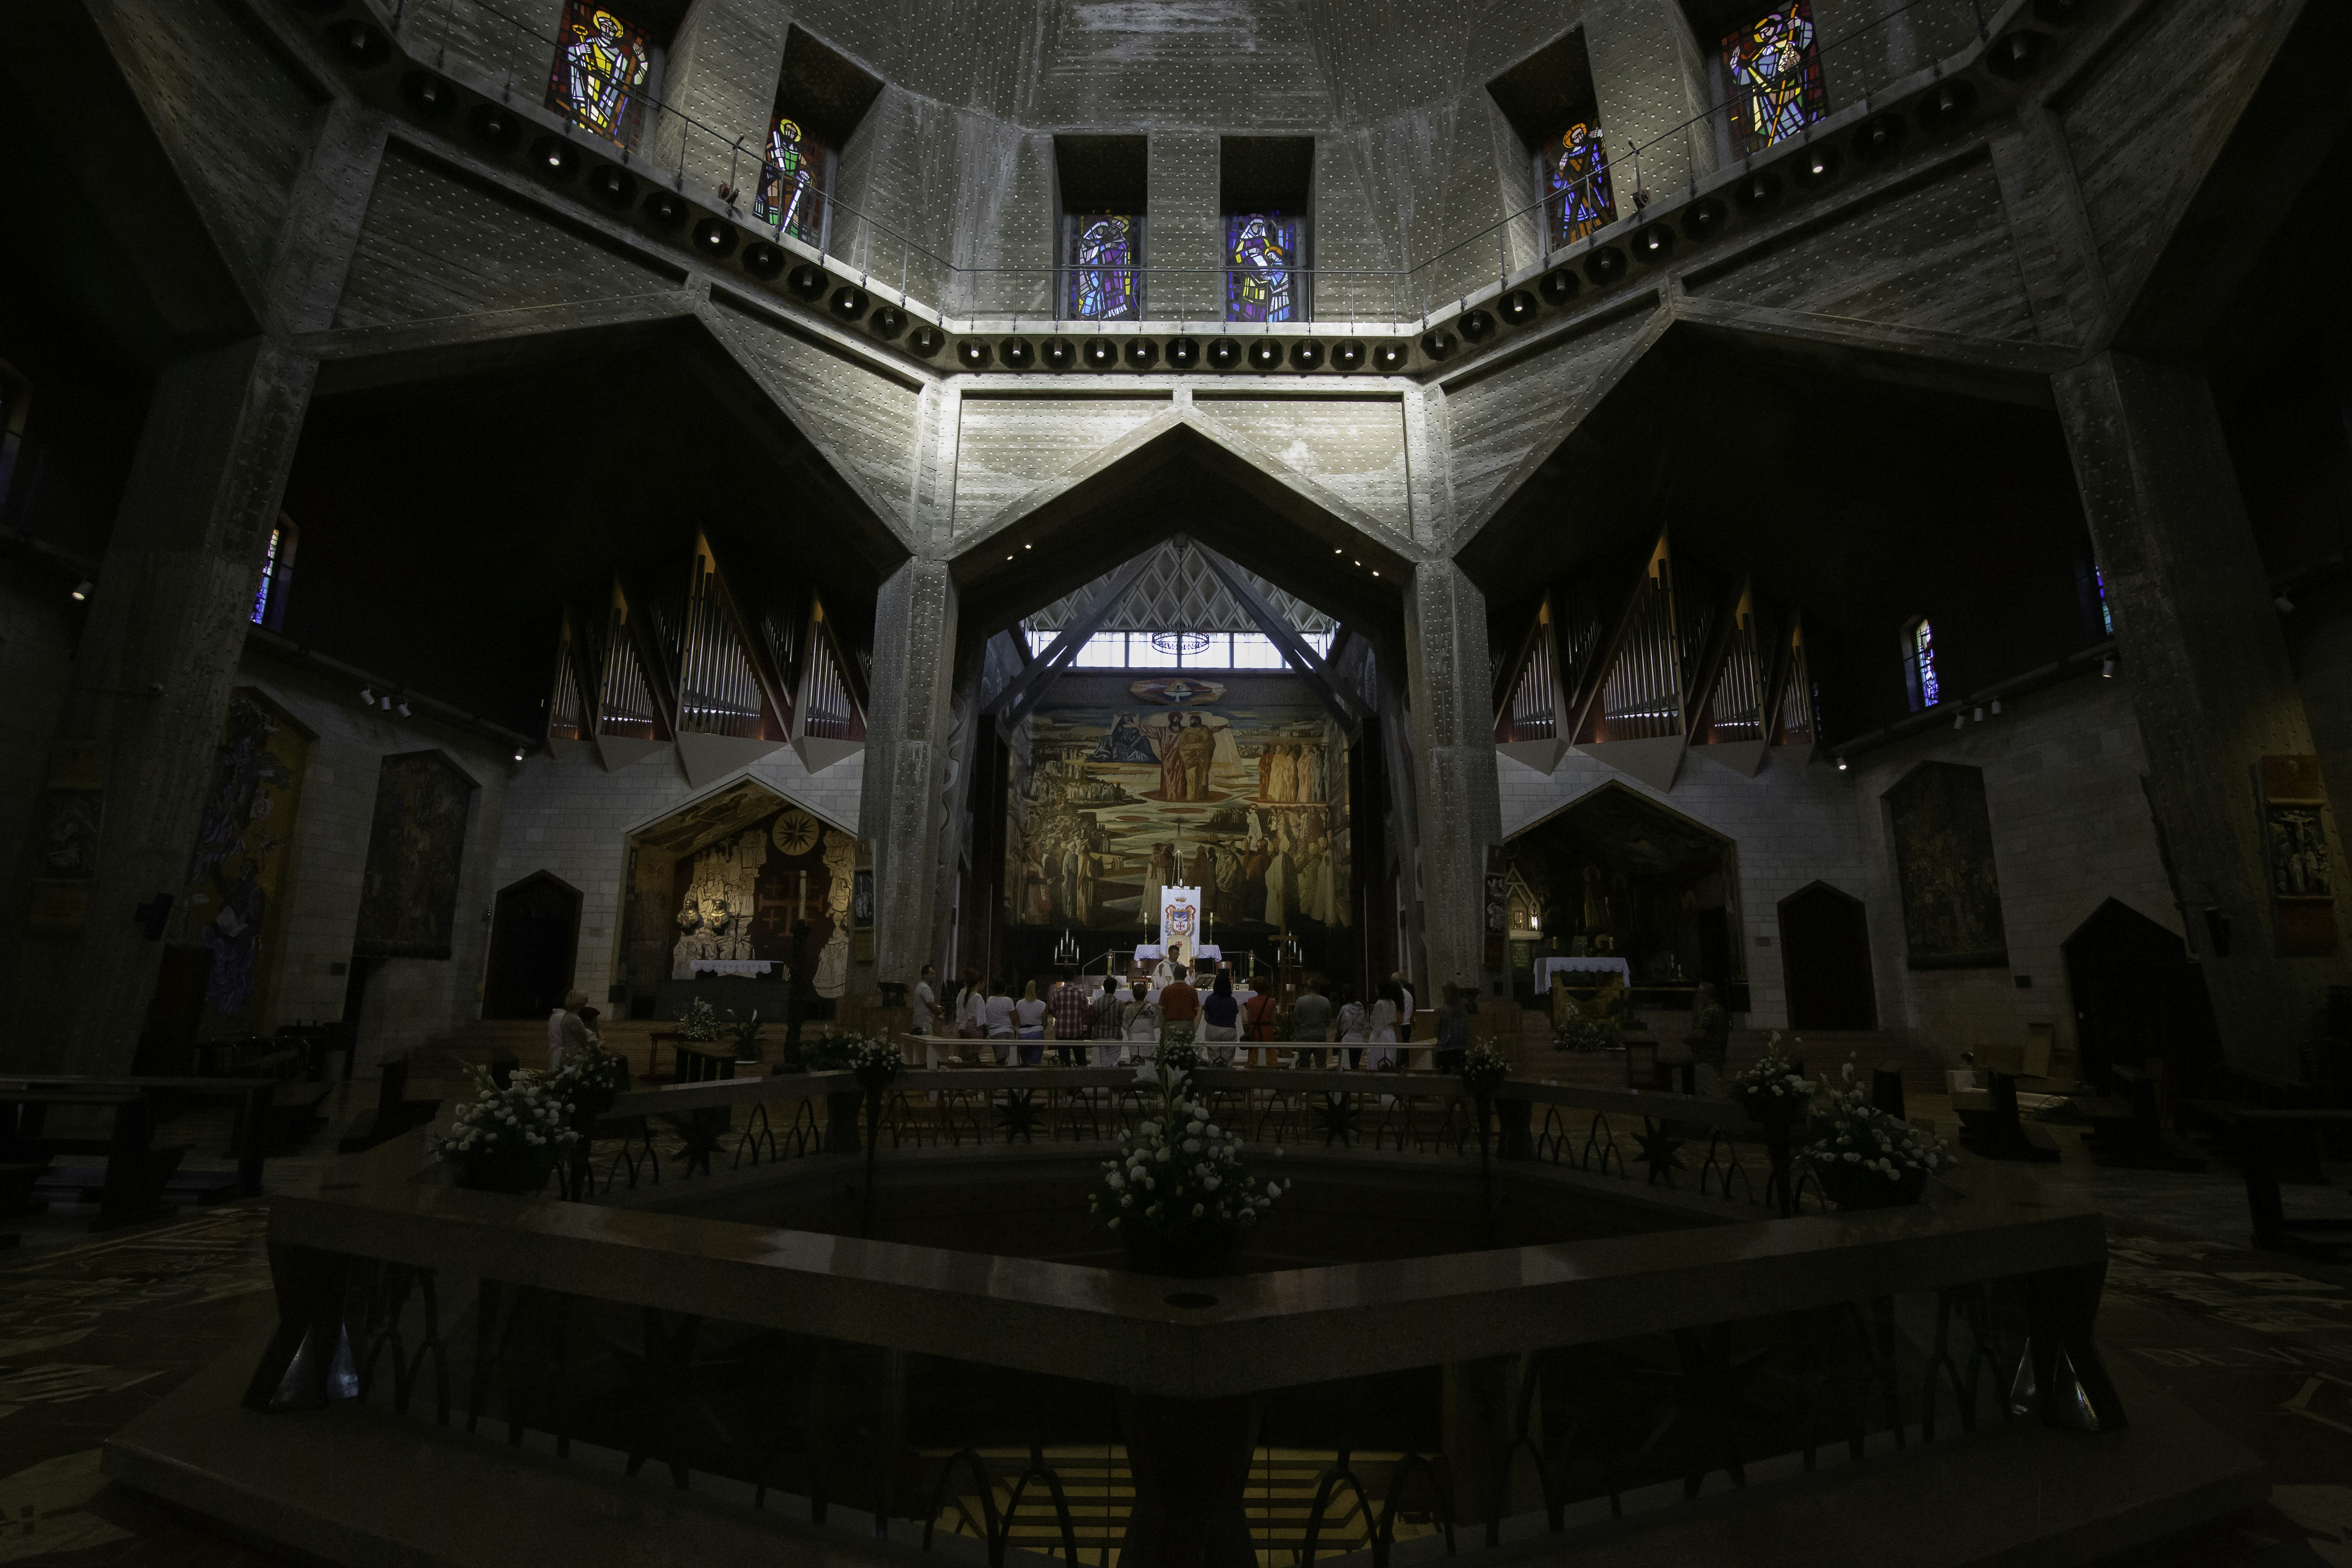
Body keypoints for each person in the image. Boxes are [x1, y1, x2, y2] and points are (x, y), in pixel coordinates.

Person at [1049, 969, 1092, 1067]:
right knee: (1081, 1060)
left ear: (1062, 978)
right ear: (1075, 977)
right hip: (1077, 1030)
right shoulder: (1081, 992)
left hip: (1061, 1031)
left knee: (1064, 1062)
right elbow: (1086, 1010)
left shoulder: (1057, 993)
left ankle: (1066, 1079)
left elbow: (1054, 1012)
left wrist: (1061, 1018)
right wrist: (1078, 1019)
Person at [1200, 971, 1241, 1065]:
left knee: (1214, 1057)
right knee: (1228, 1058)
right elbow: (1234, 1019)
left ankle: (1215, 1073)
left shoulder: (1210, 999)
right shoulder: (1233, 1000)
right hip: (1229, 1030)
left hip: (1213, 1029)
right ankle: (1227, 1074)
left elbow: (1206, 1017)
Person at [1291, 976, 1332, 1068]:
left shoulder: (1301, 1001)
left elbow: (1296, 1020)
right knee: (1321, 1064)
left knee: (1304, 1064)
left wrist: (1301, 1027)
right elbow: (1328, 1021)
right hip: (1320, 1035)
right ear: (1318, 988)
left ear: (1308, 988)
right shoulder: (1325, 1002)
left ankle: (1306, 1081)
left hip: (1305, 1036)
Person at [548, 989, 590, 1072]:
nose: (587, 1002)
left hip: (562, 1052)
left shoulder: (559, 1016)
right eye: (586, 999)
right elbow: (584, 1041)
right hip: (569, 1054)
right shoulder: (569, 1017)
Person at [1434, 985, 1470, 1075]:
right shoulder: (1464, 1011)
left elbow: (1436, 1029)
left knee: (1445, 1079)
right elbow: (1467, 1029)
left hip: (1444, 1050)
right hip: (1461, 1048)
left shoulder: (1442, 1010)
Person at [1122, 976, 1162, 1056]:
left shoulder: (1129, 1008)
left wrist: (1131, 1029)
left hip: (1133, 1039)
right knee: (1148, 1063)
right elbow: (1157, 1024)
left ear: (1133, 994)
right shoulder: (1150, 1008)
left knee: (1135, 1062)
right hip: (1148, 1039)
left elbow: (1125, 1024)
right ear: (1145, 994)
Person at [1366, 981, 1401, 1071]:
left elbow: (1375, 1023)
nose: (1375, 990)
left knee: (1377, 1059)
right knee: (1389, 1058)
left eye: (1377, 988)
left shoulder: (1380, 1004)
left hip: (1380, 1034)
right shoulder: (1392, 1002)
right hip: (1390, 1033)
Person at [1014, 979, 1048, 1064]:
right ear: (1038, 991)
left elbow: (1018, 1021)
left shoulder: (1019, 1004)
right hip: (1037, 1033)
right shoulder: (1042, 1005)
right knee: (1035, 1063)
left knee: (1025, 1061)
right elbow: (1045, 1024)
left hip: (1023, 1034)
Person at [1334, 983, 1368, 1070]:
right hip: (1359, 1039)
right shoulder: (1361, 1007)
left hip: (1348, 1039)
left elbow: (1339, 1025)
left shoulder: (1344, 1009)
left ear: (1345, 995)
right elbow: (1364, 1023)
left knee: (1346, 1067)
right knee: (1355, 1065)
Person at [983, 979, 1017, 1061]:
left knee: (998, 1057)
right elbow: (1014, 1018)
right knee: (1004, 1059)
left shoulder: (990, 1000)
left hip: (993, 1032)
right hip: (1006, 1031)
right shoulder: (1008, 1001)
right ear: (1005, 989)